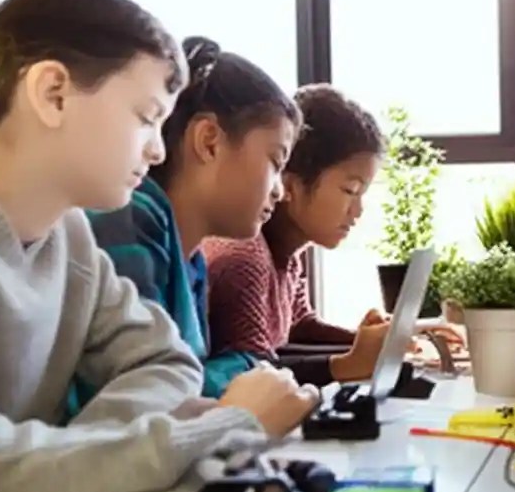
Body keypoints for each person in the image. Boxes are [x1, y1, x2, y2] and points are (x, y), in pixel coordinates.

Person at [0, 0, 317, 492]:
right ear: (53, 94)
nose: (158, 148)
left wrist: (60, 461)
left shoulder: (71, 238)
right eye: (146, 116)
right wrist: (221, 427)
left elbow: (168, 363)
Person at [73, 39, 383, 410]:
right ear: (208, 142)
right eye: (275, 161)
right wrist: (251, 364)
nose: (280, 188)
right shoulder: (130, 223)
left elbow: (189, 378)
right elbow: (154, 398)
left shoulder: (191, 260)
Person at [204, 84, 449, 385]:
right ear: (290, 185)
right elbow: (251, 374)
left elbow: (299, 329)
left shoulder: (288, 253)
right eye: (350, 191)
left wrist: (370, 343)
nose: (357, 211)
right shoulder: (243, 258)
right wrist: (347, 363)